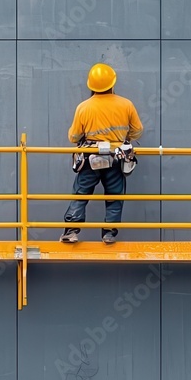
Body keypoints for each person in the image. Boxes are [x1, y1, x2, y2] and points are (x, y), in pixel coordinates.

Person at [60, 63, 143, 245]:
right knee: (114, 195)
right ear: (112, 83)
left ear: (91, 85)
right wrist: (123, 138)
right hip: (116, 156)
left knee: (81, 193)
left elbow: (73, 137)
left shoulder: (84, 107)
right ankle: (109, 233)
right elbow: (137, 131)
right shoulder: (126, 105)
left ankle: (71, 231)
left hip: (91, 156)